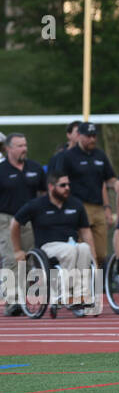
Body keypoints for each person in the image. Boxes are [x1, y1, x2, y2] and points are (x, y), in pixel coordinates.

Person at [10, 170, 95, 314]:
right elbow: (15, 223)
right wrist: (17, 250)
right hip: (47, 247)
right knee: (70, 250)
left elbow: (86, 231)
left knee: (85, 248)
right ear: (51, 187)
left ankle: (81, 295)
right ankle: (68, 294)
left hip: (71, 244)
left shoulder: (76, 204)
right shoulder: (37, 205)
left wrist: (94, 258)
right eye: (62, 185)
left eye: (68, 185)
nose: (67, 188)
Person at [49, 121, 116, 267]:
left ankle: (97, 286)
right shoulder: (67, 157)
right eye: (88, 136)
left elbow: (108, 180)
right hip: (78, 206)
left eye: (94, 136)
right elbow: (59, 182)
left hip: (98, 207)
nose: (92, 139)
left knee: (100, 252)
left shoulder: (100, 155)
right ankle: (80, 284)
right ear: (79, 136)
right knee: (82, 251)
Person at [0, 133, 45, 314]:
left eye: (25, 145)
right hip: (6, 219)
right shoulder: (1, 170)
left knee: (27, 259)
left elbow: (43, 194)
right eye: (19, 145)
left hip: (29, 220)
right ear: (8, 148)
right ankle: (12, 302)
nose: (24, 148)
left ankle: (21, 297)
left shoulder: (35, 168)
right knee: (12, 258)